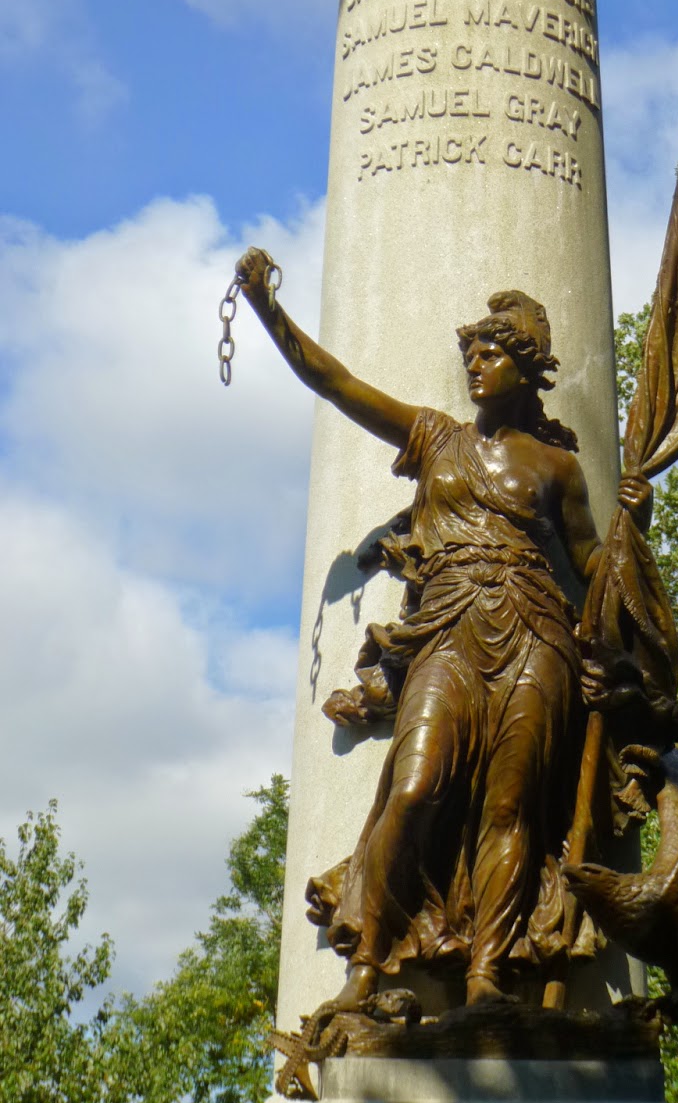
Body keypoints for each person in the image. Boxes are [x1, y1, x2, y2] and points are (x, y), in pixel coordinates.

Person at [234, 247, 649, 1009]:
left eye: (490, 355)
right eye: (470, 356)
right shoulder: (434, 437)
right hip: (451, 628)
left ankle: (490, 973)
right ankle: (367, 963)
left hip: (534, 634)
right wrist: (267, 311)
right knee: (415, 786)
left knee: (511, 808)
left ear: (527, 368)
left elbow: (593, 569)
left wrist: (634, 531)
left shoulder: (557, 469)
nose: (476, 368)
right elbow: (337, 383)